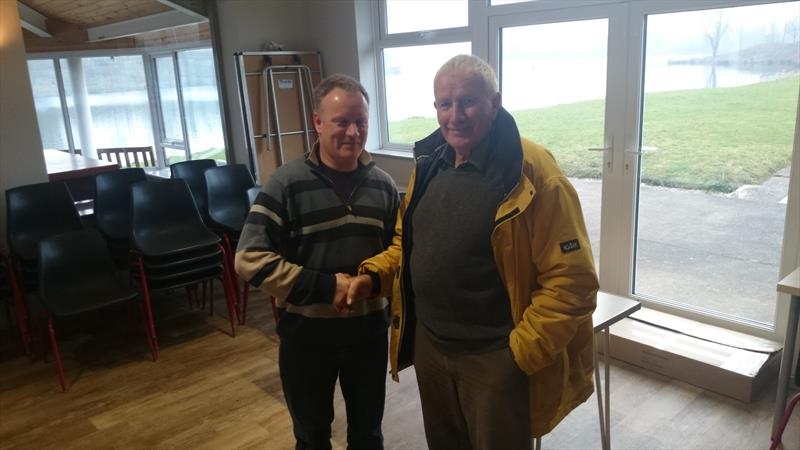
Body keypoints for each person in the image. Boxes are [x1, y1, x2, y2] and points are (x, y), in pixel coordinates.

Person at [348, 54, 599, 449]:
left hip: (494, 356)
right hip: (432, 347)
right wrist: (374, 275)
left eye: (468, 102)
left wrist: (520, 355)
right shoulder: (430, 163)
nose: (455, 116)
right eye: (445, 104)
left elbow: (573, 281)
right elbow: (407, 243)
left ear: (494, 103)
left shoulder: (532, 171)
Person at [235, 74, 399, 450]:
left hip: (369, 337)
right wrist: (327, 287)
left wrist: (372, 283)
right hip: (306, 339)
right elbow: (248, 258)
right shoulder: (285, 184)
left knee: (369, 435)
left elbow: (399, 252)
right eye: (342, 121)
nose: (353, 132)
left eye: (361, 122)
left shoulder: (384, 186)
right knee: (311, 438)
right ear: (318, 122)